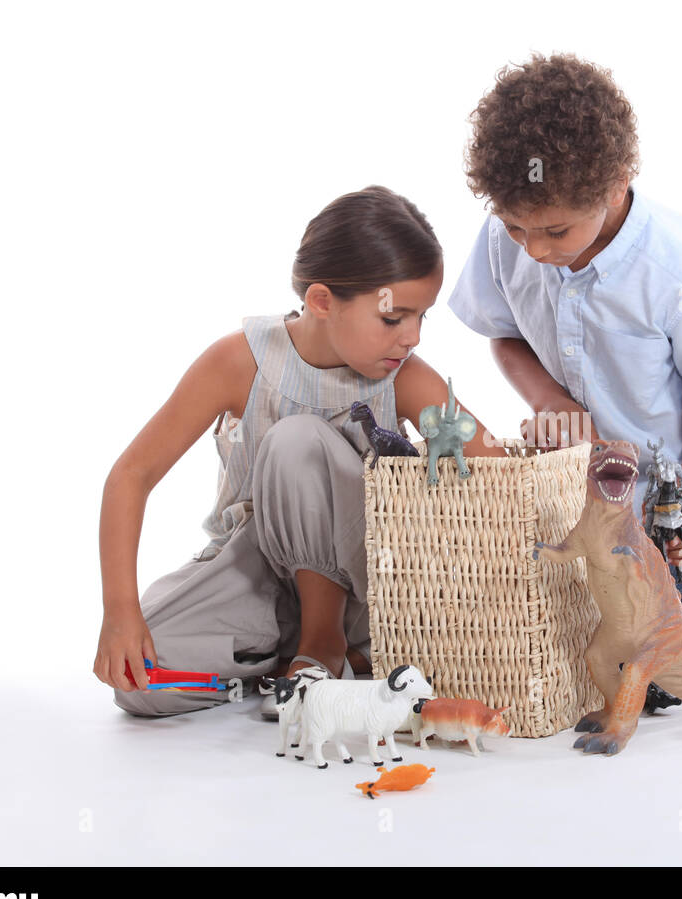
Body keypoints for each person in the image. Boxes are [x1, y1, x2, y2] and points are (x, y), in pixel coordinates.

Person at [96, 185, 504, 718]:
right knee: (138, 682)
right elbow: (132, 473)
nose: (413, 338)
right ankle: (301, 669)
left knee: (296, 441)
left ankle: (325, 645)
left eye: (421, 317)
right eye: (393, 318)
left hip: (365, 584)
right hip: (260, 574)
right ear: (321, 301)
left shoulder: (406, 379)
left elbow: (497, 474)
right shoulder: (238, 361)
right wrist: (120, 611)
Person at [448, 53, 682, 670]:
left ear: (614, 188)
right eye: (514, 228)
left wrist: (673, 515)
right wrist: (549, 400)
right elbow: (503, 334)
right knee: (566, 632)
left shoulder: (678, 275)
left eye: (555, 233)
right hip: (584, 481)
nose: (533, 251)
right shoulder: (513, 231)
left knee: (650, 665)